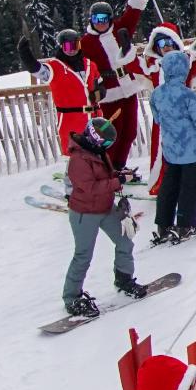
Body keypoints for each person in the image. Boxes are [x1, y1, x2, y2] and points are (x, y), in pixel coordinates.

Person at [58, 116, 146, 316]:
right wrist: (118, 181)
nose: (106, 146)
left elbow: (103, 177)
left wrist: (117, 175)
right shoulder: (78, 159)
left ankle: (124, 279)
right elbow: (89, 188)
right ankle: (71, 297)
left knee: (125, 240)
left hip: (105, 206)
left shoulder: (96, 152)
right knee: (83, 255)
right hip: (84, 213)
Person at [79, 0, 153, 172]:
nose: (100, 22)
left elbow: (133, 12)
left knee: (130, 132)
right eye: (96, 19)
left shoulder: (119, 28)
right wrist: (96, 87)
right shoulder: (86, 42)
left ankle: (119, 165)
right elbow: (82, 67)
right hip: (108, 94)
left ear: (110, 18)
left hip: (128, 89)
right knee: (113, 133)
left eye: (104, 18)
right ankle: (107, 167)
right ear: (91, 20)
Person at [148, 48, 196, 244]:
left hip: (171, 148)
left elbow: (157, 118)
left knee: (169, 184)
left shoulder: (157, 94)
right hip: (191, 149)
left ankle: (163, 224)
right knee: (189, 187)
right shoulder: (187, 95)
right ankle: (186, 225)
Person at [26, 27, 99, 155]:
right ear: (61, 47)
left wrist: (99, 93)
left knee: (98, 152)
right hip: (71, 120)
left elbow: (99, 83)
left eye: (75, 45)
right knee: (75, 153)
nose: (72, 50)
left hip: (94, 117)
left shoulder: (90, 64)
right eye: (68, 47)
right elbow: (39, 71)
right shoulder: (55, 67)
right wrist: (26, 57)